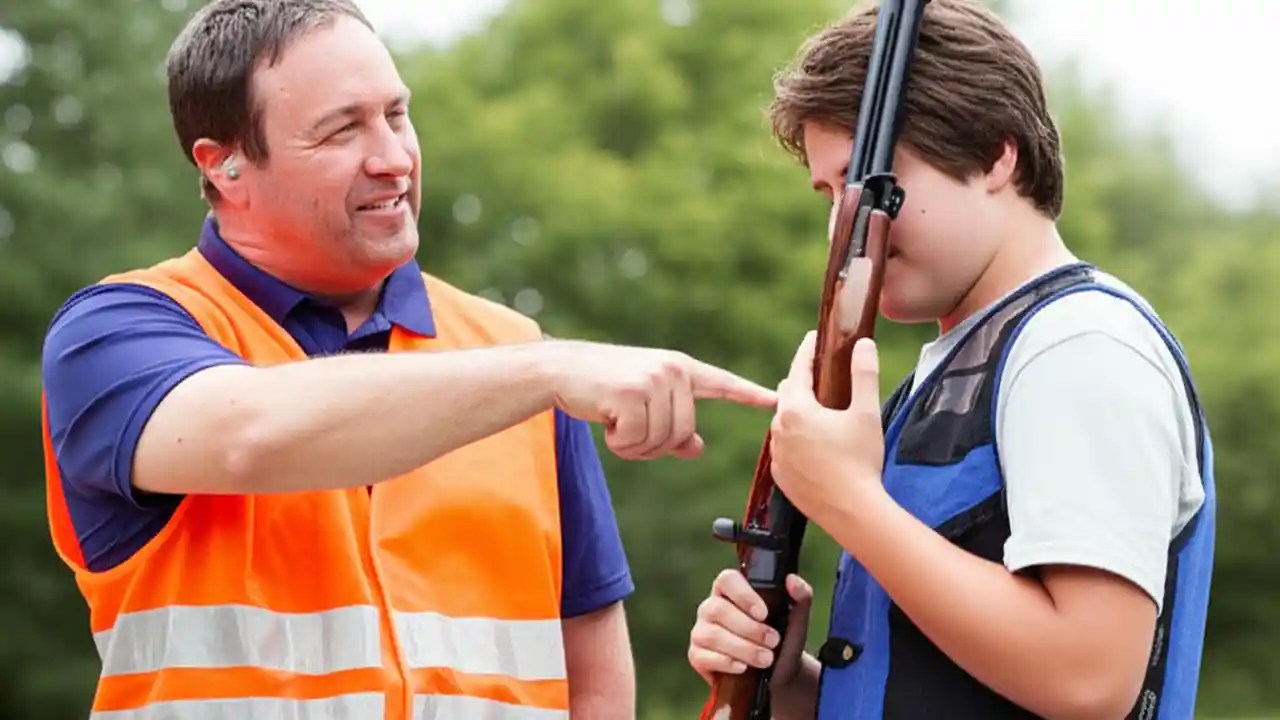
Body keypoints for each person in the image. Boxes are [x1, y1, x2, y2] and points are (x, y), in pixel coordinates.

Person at [38, 2, 778, 719]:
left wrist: (538, 365)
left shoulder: (511, 349)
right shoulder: (113, 334)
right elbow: (248, 436)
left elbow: (590, 672)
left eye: (396, 114)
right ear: (224, 165)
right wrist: (548, 370)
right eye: (341, 131)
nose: (394, 158)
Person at [687, 1, 1215, 718]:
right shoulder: (956, 370)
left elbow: (1088, 677)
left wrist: (849, 500)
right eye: (829, 193)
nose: (845, 220)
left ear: (998, 155)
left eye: (868, 183)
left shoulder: (1077, 344)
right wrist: (789, 681)